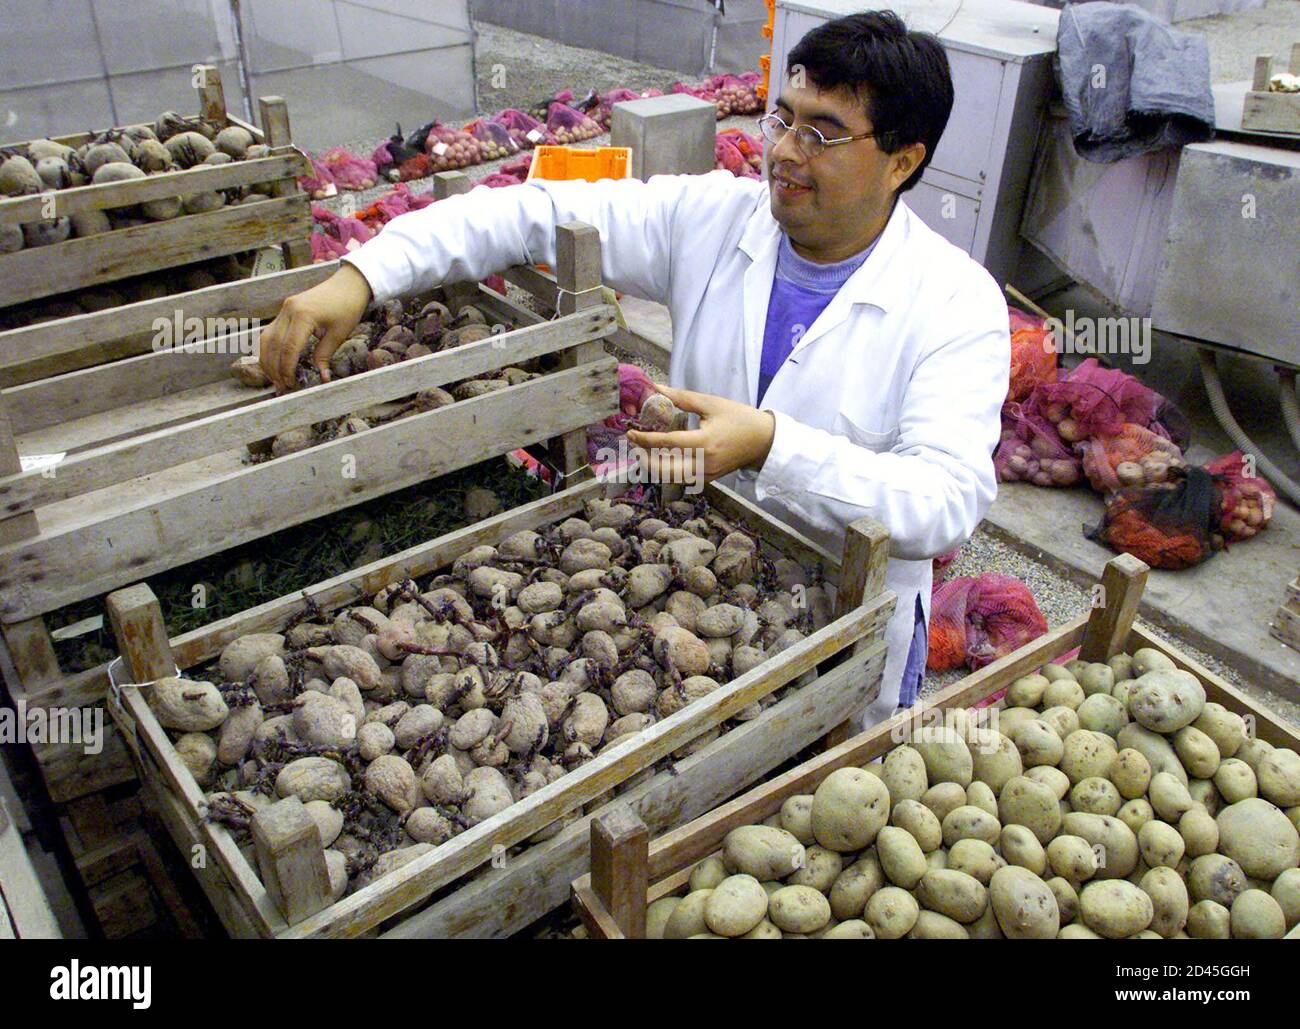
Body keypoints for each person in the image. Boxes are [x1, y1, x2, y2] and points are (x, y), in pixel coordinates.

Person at [257, 11, 1010, 730]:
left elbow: (947, 500)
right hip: (696, 596)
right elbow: (531, 211)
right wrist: (363, 274)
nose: (783, 151)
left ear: (903, 160)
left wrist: (773, 444)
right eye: (783, 118)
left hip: (846, 631)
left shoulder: (953, 301)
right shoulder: (715, 218)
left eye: (823, 134)